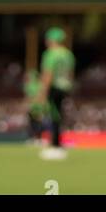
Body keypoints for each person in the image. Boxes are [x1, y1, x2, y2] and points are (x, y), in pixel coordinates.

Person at [39, 26, 75, 161]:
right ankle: (57, 143)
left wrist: (43, 92)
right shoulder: (68, 54)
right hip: (65, 87)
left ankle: (55, 145)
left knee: (54, 115)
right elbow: (71, 74)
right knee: (59, 115)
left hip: (54, 87)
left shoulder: (50, 54)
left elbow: (48, 74)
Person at [23, 68, 47, 143]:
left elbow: (28, 97)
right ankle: (37, 138)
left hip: (34, 107)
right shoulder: (41, 85)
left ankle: (34, 138)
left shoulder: (29, 85)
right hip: (38, 107)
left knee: (33, 123)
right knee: (37, 123)